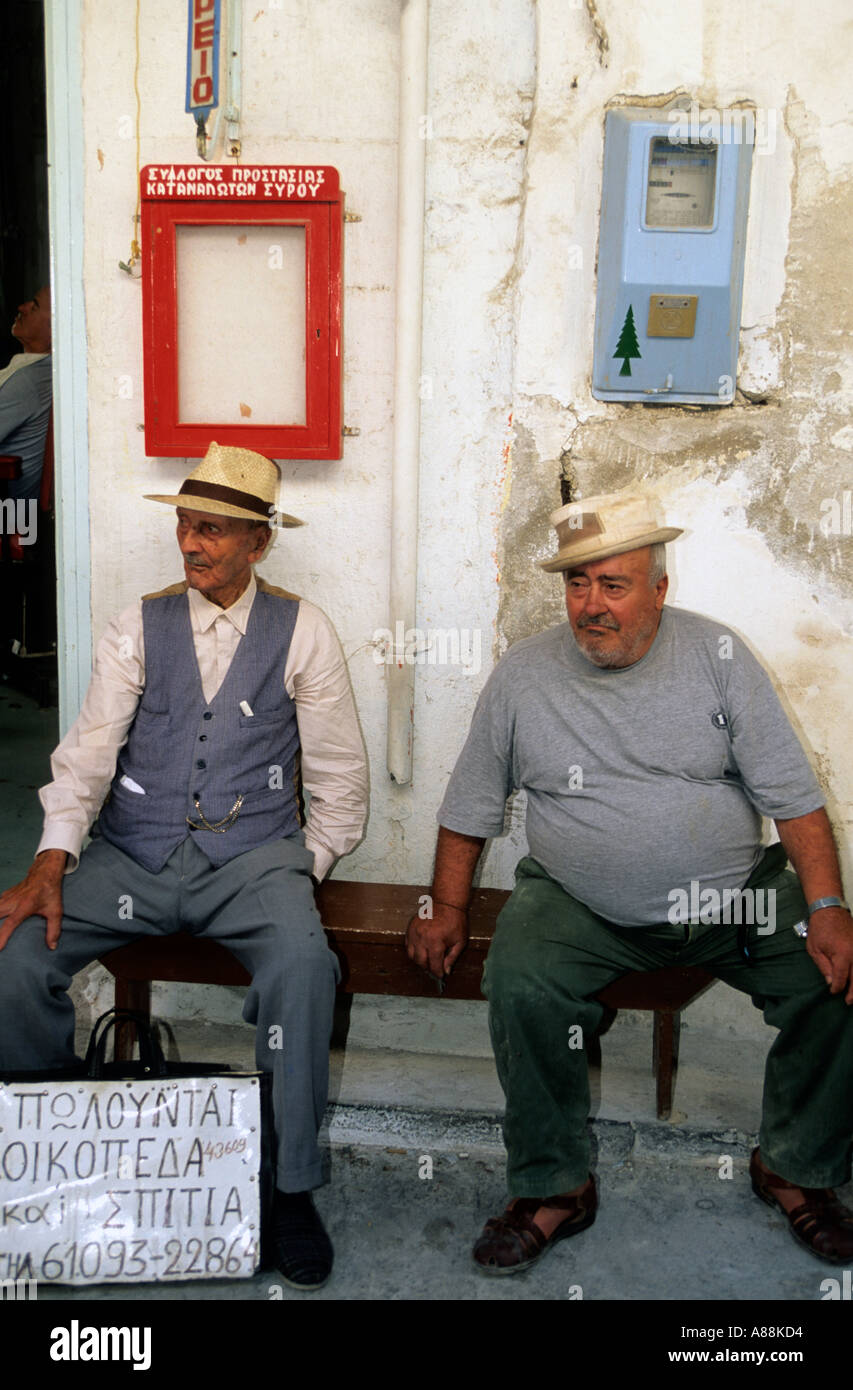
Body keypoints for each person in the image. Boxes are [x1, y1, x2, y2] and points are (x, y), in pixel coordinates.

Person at [408, 493, 853, 1274]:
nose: (591, 606)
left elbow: (793, 799)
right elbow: (469, 803)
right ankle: (553, 1187)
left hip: (732, 900)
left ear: (658, 587)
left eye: (612, 586)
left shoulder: (718, 657)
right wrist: (444, 907)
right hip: (578, 904)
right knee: (521, 981)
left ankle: (794, 1167)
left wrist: (826, 907)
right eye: (577, 585)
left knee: (836, 979)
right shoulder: (524, 675)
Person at [0, 442, 369, 1290]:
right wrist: (52, 858)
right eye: (184, 525)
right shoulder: (140, 623)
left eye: (213, 530)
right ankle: (58, 1145)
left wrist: (291, 871)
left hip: (255, 863)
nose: (192, 544)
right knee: (17, 953)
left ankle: (288, 1189)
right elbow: (87, 753)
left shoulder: (302, 628)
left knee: (305, 968)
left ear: (258, 543)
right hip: (131, 856)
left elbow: (340, 776)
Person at [0, 286, 52, 501]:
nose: (22, 307)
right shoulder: (41, 369)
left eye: (35, 306)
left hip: (11, 517)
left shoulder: (28, 381)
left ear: (53, 330)